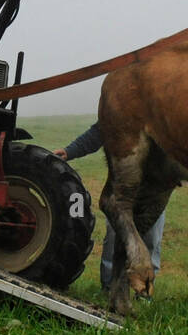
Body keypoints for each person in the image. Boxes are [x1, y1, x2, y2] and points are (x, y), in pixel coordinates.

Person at [54, 122, 165, 293]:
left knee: (151, 239)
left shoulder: (164, 113)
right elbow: (100, 131)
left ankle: (143, 292)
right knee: (115, 237)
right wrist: (70, 151)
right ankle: (110, 288)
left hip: (154, 188)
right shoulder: (126, 106)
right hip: (123, 186)